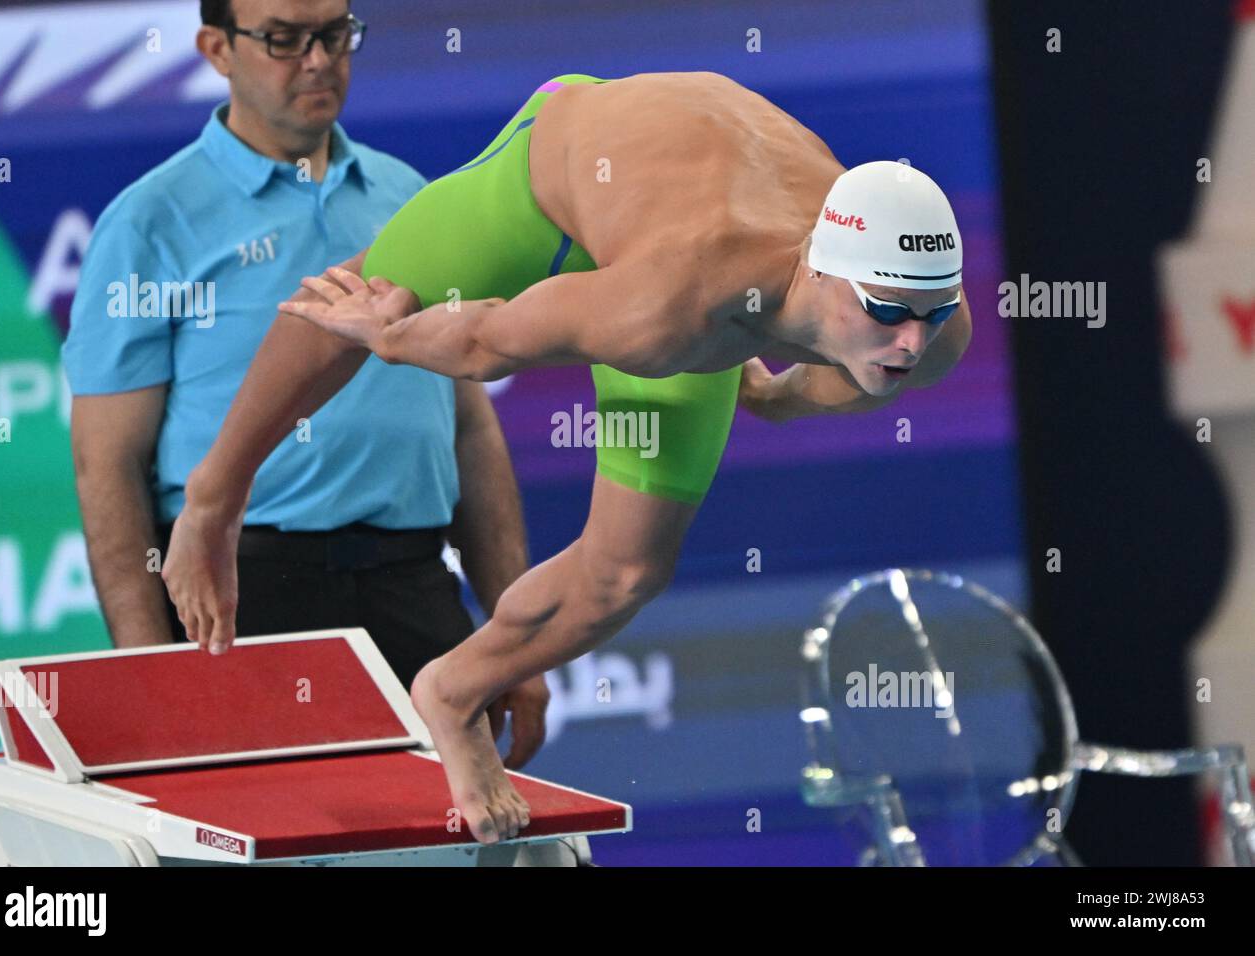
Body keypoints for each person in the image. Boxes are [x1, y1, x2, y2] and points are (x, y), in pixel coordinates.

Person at [162, 71, 973, 845]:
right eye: (887, 312)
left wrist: (771, 390)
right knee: (350, 309)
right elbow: (486, 339)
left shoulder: (930, 331)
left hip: (701, 255)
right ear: (829, 275)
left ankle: (450, 689)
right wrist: (394, 338)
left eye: (930, 315)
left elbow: (810, 389)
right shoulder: (678, 304)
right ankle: (214, 496)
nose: (911, 340)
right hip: (558, 176)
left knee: (628, 574)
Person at [64, 0, 547, 769]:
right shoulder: (150, 224)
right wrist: (147, 677)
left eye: (333, 34)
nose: (318, 59)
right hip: (242, 602)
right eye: (284, 39)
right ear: (216, 48)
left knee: (461, 845)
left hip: (414, 590)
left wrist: (517, 641)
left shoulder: (410, 200)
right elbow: (107, 465)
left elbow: (468, 432)